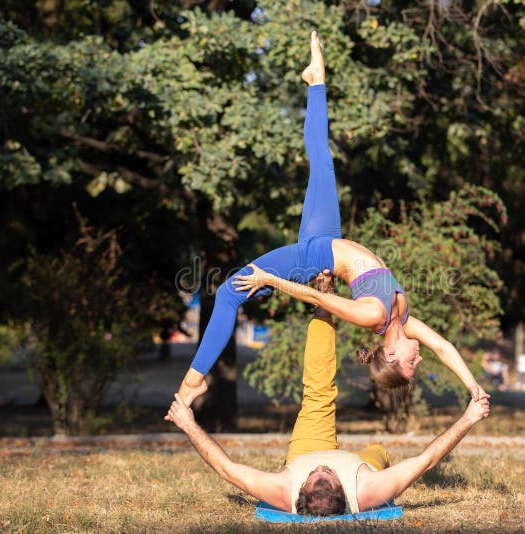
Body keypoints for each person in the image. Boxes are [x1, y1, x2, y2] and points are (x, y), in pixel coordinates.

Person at [176, 31, 486, 408]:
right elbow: (444, 346)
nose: (418, 360)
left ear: (390, 356)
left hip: (313, 257)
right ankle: (316, 80)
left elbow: (309, 294)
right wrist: (474, 388)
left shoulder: (372, 314)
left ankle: (193, 381)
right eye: (416, 364)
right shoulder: (401, 320)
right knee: (322, 162)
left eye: (410, 365)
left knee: (228, 293)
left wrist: (268, 278)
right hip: (326, 239)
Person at [166, 271, 491, 515]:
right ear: (342, 492)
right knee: (378, 451)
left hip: (305, 450)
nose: (322, 470)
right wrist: (469, 417)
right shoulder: (366, 491)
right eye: (329, 478)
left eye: (314, 478)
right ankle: (376, 455)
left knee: (318, 391)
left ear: (301, 493)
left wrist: (187, 423)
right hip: (363, 468)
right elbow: (427, 459)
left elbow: (226, 469)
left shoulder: (284, 490)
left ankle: (325, 295)